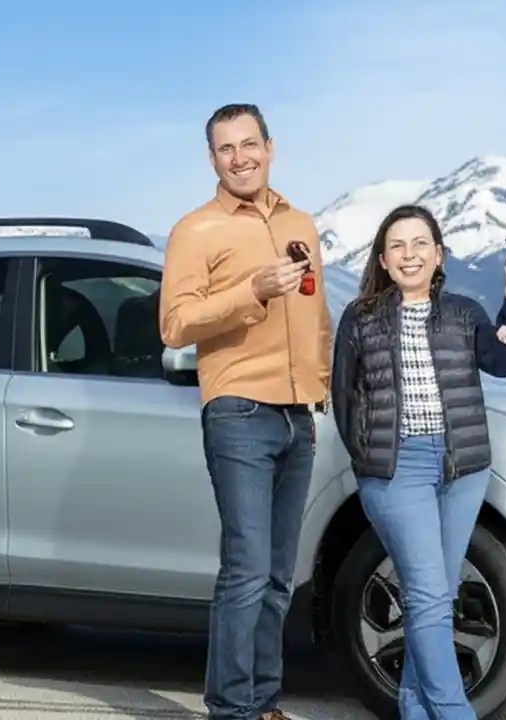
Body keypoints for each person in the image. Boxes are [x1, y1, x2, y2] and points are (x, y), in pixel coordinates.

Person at [159, 103, 333, 720]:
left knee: (280, 575)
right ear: (212, 159)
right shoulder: (195, 229)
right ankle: (231, 709)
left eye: (249, 144)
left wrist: (324, 386)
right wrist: (249, 292)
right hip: (237, 411)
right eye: (226, 148)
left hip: (298, 415)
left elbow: (315, 315)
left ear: (270, 146)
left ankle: (264, 704)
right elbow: (174, 324)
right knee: (247, 569)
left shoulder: (302, 223)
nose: (240, 157)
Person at [329, 204, 506, 718]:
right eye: (398, 246)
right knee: (425, 593)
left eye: (420, 244)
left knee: (437, 597)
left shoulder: (465, 313)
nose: (410, 254)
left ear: (439, 254)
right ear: (383, 257)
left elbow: (501, 361)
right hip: (397, 471)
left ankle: (416, 710)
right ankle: (455, 712)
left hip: (461, 469)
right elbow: (343, 395)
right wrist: (368, 461)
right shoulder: (362, 317)